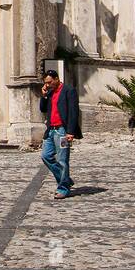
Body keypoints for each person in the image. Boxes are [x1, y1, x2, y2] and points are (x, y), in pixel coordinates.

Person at [39, 68, 81, 197]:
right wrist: (44, 95)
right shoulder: (50, 93)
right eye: (46, 83)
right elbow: (43, 109)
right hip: (51, 130)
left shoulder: (69, 91)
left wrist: (70, 132)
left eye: (49, 82)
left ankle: (63, 188)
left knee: (63, 160)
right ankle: (66, 179)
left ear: (57, 79)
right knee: (46, 156)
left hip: (63, 131)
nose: (47, 85)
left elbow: (74, 112)